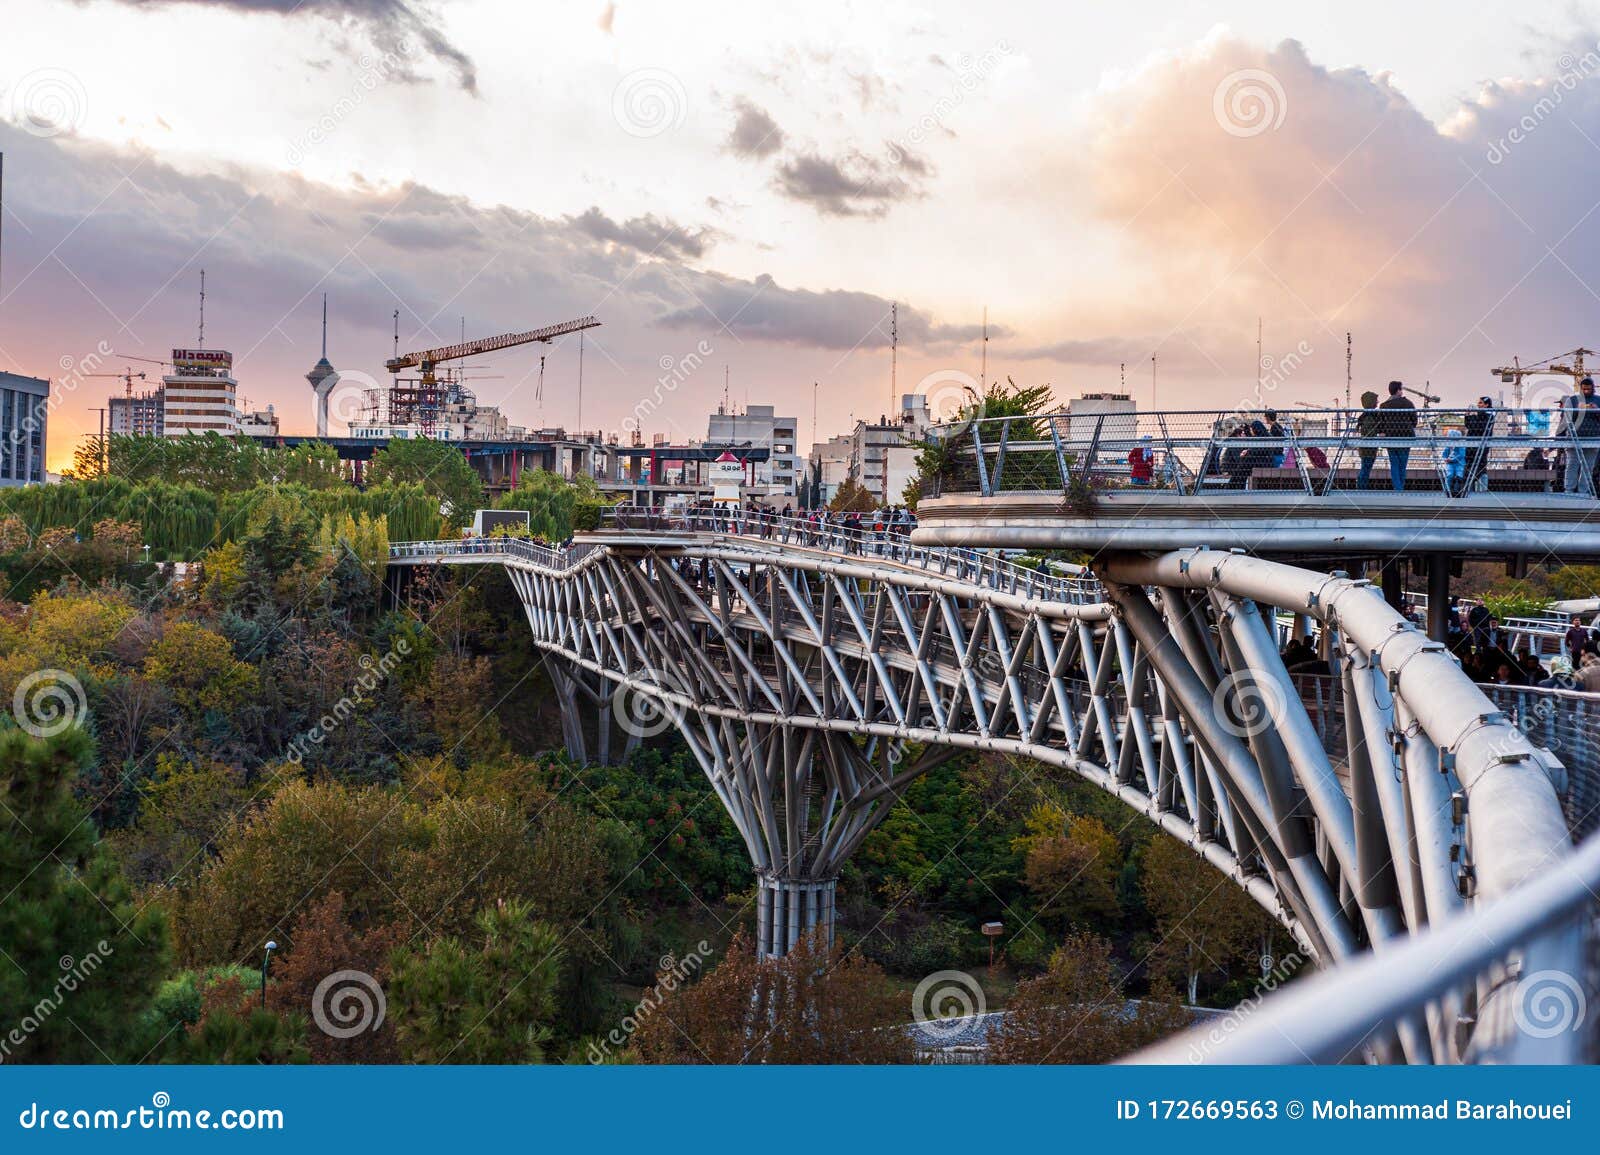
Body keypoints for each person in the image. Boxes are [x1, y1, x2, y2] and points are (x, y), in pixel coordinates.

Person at [1561, 376, 1600, 494]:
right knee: (1572, 464)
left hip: (1593, 438)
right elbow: (1566, 420)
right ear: (1580, 388)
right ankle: (1569, 490)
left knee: (1588, 466)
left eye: (1588, 389)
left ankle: (1583, 491)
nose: (1586, 392)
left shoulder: (1598, 400)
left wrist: (1597, 410)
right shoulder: (1572, 400)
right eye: (1584, 389)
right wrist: (1577, 411)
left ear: (1593, 388)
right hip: (1574, 437)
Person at [1378, 380, 1417, 491]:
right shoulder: (1408, 404)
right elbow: (1414, 421)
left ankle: (1398, 488)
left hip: (1391, 438)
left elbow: (1381, 424)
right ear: (1398, 390)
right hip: (1406, 437)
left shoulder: (1384, 406)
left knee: (1394, 464)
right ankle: (1401, 487)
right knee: (1403, 464)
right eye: (1401, 389)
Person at [1463, 396, 1494, 492]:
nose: (1478, 405)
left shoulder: (1489, 416)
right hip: (1471, 447)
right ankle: (1469, 490)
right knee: (1469, 468)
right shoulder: (1479, 416)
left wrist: (1471, 416)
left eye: (1481, 403)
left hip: (1481, 447)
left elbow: (1477, 426)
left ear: (1486, 405)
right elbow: (1469, 425)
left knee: (1480, 469)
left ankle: (1481, 491)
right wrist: (1468, 416)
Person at [1356, 391, 1381, 489]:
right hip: (1368, 449)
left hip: (1366, 448)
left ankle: (1361, 487)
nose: (1378, 402)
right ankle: (1361, 488)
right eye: (1376, 400)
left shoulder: (1366, 416)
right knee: (1366, 468)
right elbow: (1370, 433)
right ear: (1371, 402)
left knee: (1365, 468)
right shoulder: (1370, 417)